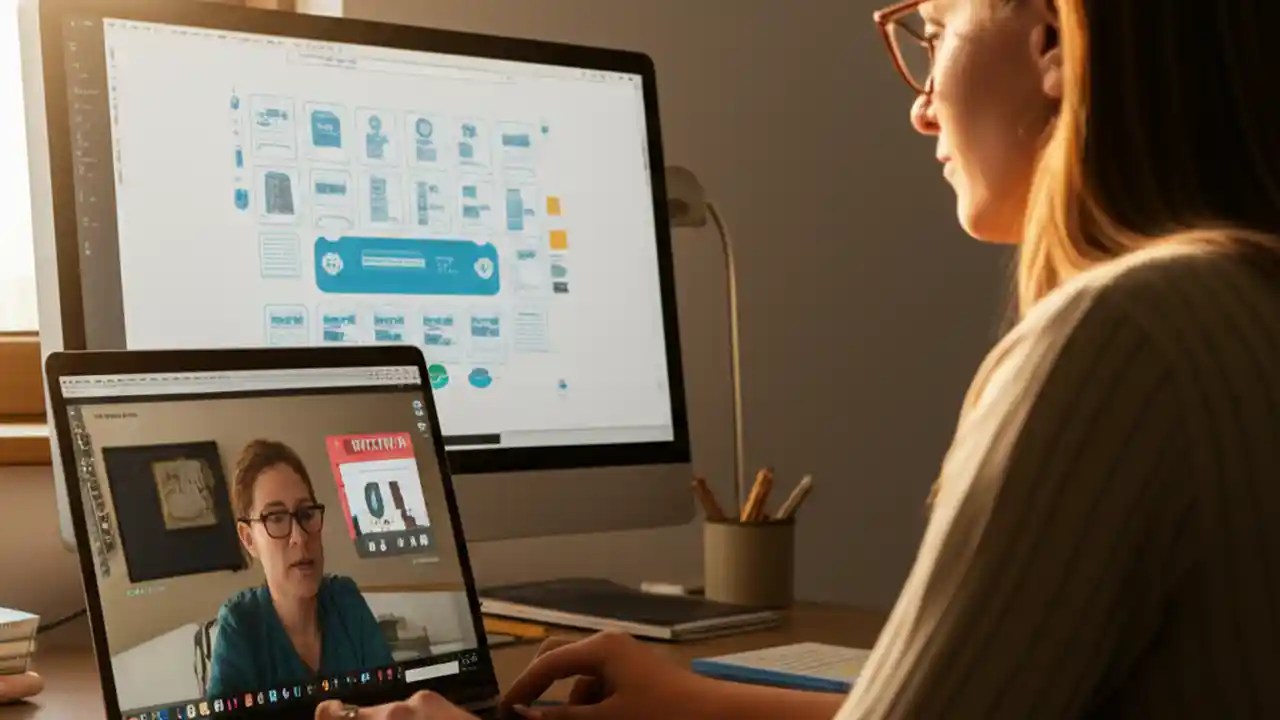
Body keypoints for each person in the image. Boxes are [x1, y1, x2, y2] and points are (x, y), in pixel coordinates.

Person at [317, 0, 1280, 717]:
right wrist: (699, 703)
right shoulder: (1236, 306)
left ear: (1054, 40)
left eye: (935, 30)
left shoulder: (1119, 341)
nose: (922, 109)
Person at [208, 440, 393, 699]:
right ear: (248, 539)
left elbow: (393, 701)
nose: (299, 537)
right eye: (276, 518)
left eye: (306, 514)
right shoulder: (240, 626)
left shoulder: (345, 600)